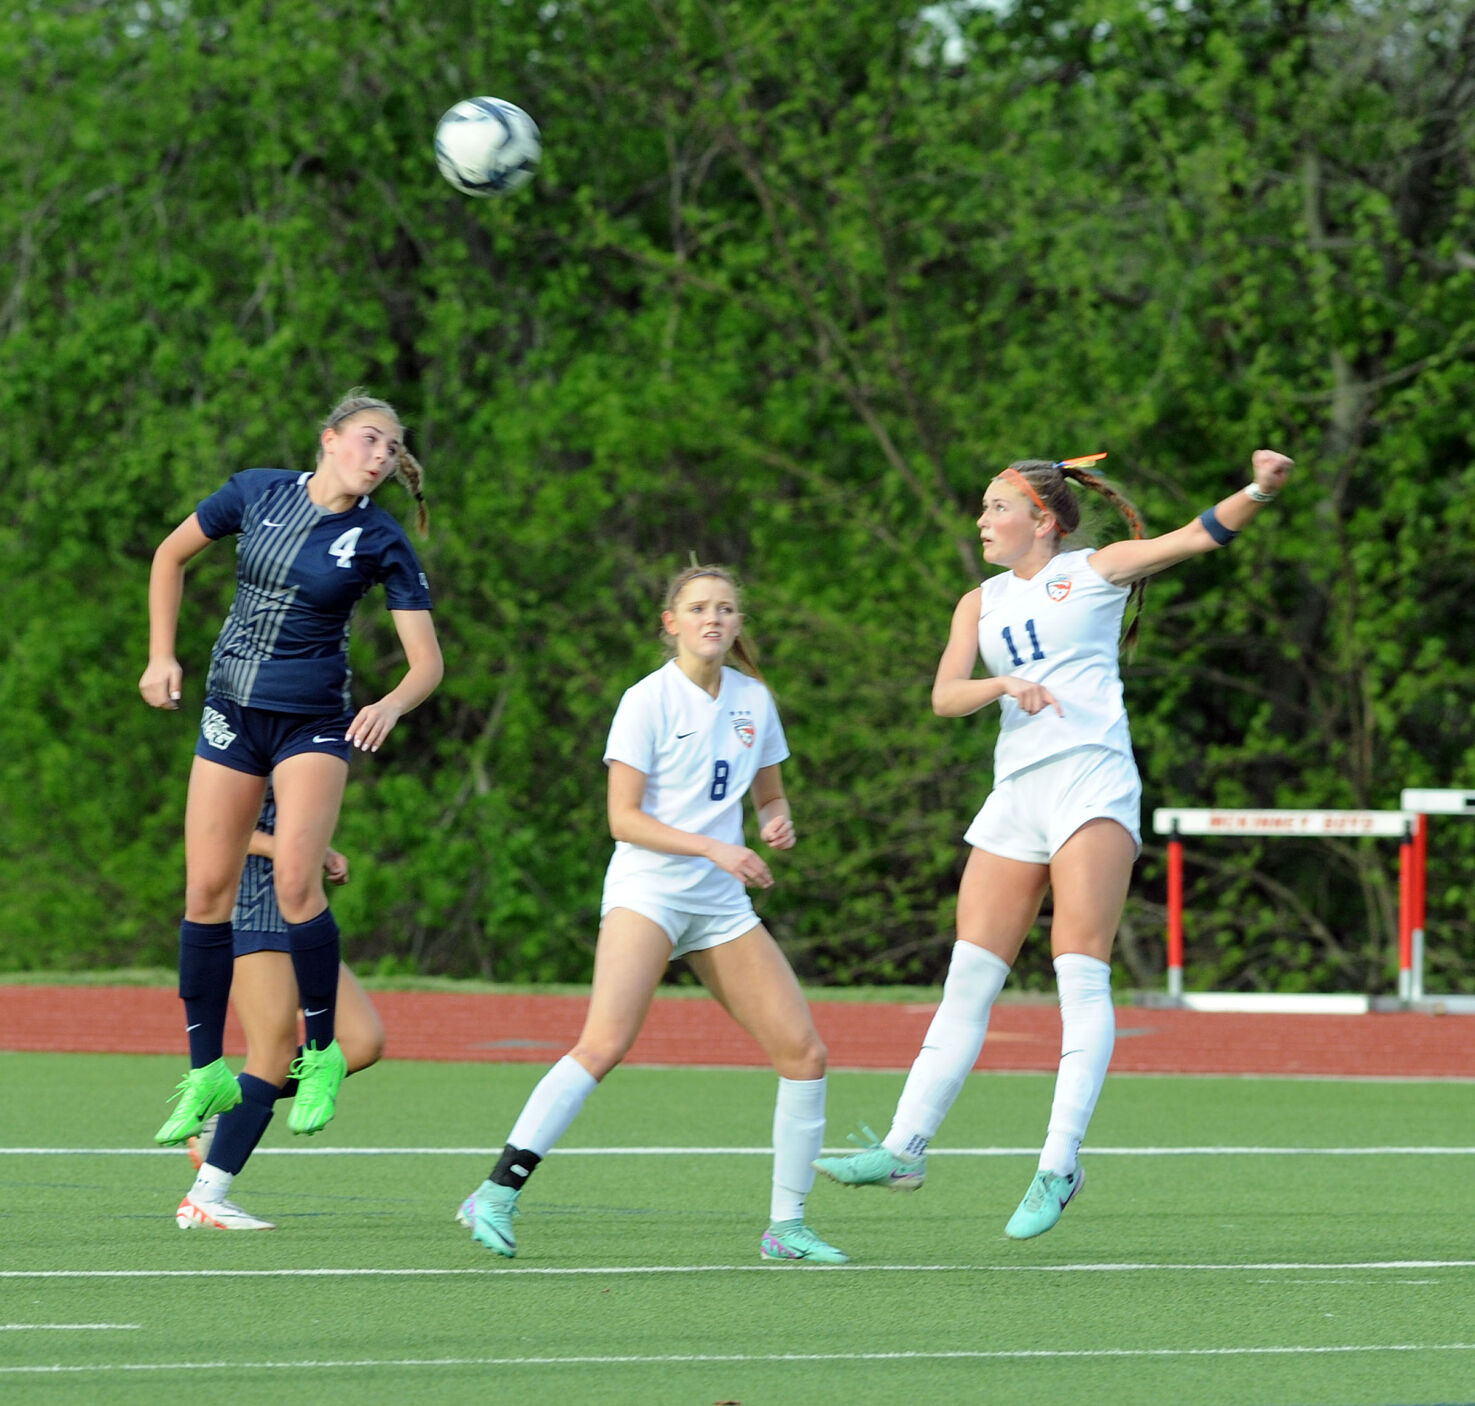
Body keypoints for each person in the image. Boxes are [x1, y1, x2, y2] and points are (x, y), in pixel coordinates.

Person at [814, 448, 1293, 1239]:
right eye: (981, 508)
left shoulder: (1096, 570)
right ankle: (904, 1149)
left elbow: (1198, 535)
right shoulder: (979, 601)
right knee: (968, 978)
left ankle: (1058, 1164)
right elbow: (944, 697)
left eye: (995, 508)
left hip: (1090, 783)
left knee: (1077, 971)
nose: (981, 521)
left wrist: (1257, 489)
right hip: (1017, 794)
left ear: (1043, 520)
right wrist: (1002, 685)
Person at [457, 564, 847, 1264]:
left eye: (726, 609)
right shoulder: (646, 701)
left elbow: (769, 796)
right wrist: (712, 848)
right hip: (650, 891)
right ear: (671, 623)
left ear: (737, 624)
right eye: (698, 607)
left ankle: (784, 1227)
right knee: (603, 1043)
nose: (714, 619)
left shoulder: (754, 699)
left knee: (804, 1053)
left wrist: (776, 822)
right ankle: (495, 1192)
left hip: (718, 904)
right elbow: (622, 819)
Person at [139, 390, 442, 1154]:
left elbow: (427, 665)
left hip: (311, 722)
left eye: (390, 447)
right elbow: (169, 556)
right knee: (205, 888)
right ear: (330, 439)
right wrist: (160, 654)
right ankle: (204, 1069)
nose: (380, 456)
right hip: (231, 711)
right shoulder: (257, 492)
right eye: (369, 440)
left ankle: (322, 1053)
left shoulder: (379, 538)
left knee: (295, 881)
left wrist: (394, 704)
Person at [176, 790, 386, 1229]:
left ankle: (225, 1108)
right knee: (272, 1056)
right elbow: (220, 827)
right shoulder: (255, 732)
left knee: (361, 1040)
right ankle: (206, 1197)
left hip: (299, 911)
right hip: (252, 909)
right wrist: (297, 850)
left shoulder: (307, 738)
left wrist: (316, 851)